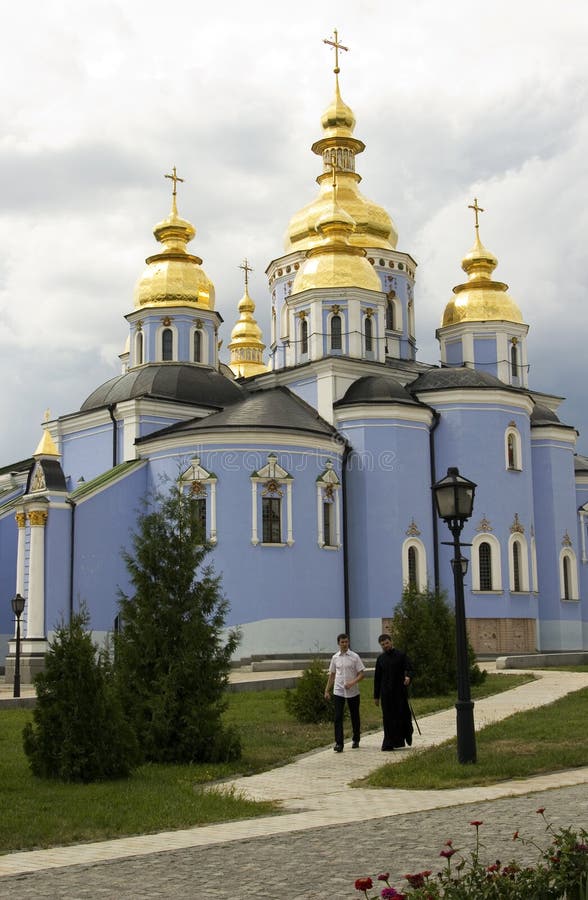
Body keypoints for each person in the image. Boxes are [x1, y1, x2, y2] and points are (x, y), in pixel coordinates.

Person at [324, 633, 365, 752]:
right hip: (339, 691)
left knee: (354, 715)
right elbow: (332, 674)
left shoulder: (355, 657)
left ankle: (356, 739)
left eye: (346, 642)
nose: (344, 644)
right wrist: (327, 690)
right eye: (342, 642)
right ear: (338, 643)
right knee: (338, 717)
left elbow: (361, 674)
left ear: (349, 642)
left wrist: (352, 683)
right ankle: (339, 743)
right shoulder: (335, 657)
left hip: (353, 691)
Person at [374, 633, 414, 751]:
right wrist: (376, 696)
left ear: (391, 642)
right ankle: (389, 743)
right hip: (386, 693)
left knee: (402, 716)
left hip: (399, 692)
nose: (385, 646)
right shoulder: (380, 659)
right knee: (388, 718)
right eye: (383, 644)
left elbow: (410, 669)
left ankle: (407, 734)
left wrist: (408, 677)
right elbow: (377, 678)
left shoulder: (401, 655)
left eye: (387, 643)